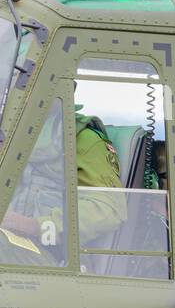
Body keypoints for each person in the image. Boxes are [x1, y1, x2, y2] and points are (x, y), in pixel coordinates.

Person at [0, 96, 126, 258]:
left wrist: (34, 226)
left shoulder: (83, 138)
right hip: (11, 241)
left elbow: (107, 210)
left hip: (54, 254)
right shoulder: (11, 131)